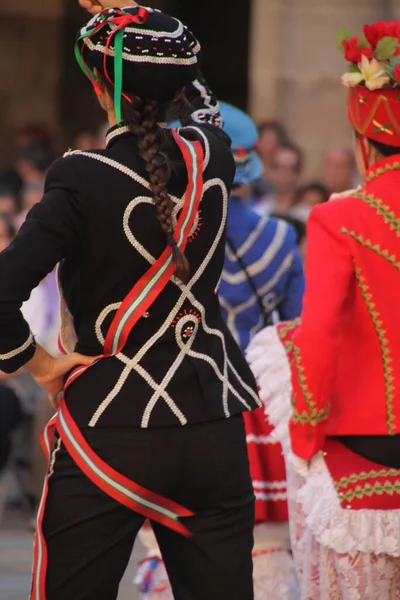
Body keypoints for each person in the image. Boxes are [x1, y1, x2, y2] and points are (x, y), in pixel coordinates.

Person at [0, 2, 261, 599]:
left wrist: (38, 365)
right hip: (213, 429)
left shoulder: (79, 177)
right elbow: (199, 98)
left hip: (110, 428)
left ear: (99, 87)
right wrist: (143, 26)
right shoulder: (216, 155)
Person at [248, 20, 400, 599]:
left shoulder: (340, 217)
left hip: (364, 444)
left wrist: (307, 436)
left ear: (363, 141)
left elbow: (319, 333)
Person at [136, 103, 303, 600]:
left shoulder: (165, 229)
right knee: (263, 551)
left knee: (168, 546)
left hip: (178, 399)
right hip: (256, 406)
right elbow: (294, 328)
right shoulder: (280, 237)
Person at [254, 143, 304, 216]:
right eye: (277, 167)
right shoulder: (260, 208)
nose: (282, 174)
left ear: (298, 173)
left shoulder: (304, 212)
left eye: (289, 169)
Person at [251, 120, 290, 200]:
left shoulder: (285, 171)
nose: (269, 147)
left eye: (273, 142)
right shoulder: (249, 169)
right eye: (266, 141)